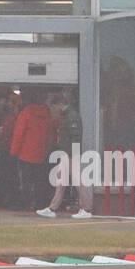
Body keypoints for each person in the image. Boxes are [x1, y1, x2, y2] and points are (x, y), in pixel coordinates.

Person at [39, 88, 92, 219]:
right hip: (66, 153)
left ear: (59, 104)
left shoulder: (71, 117)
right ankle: (53, 208)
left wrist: (73, 155)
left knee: (76, 180)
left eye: (54, 107)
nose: (54, 111)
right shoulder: (68, 116)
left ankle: (86, 208)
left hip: (70, 154)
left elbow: (75, 137)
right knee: (61, 180)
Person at [11, 87, 59, 211]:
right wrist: (49, 148)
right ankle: (40, 203)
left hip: (25, 153)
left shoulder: (26, 112)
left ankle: (27, 203)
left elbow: (19, 134)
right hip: (41, 153)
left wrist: (14, 151)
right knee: (40, 181)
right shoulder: (46, 112)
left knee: (25, 181)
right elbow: (51, 133)